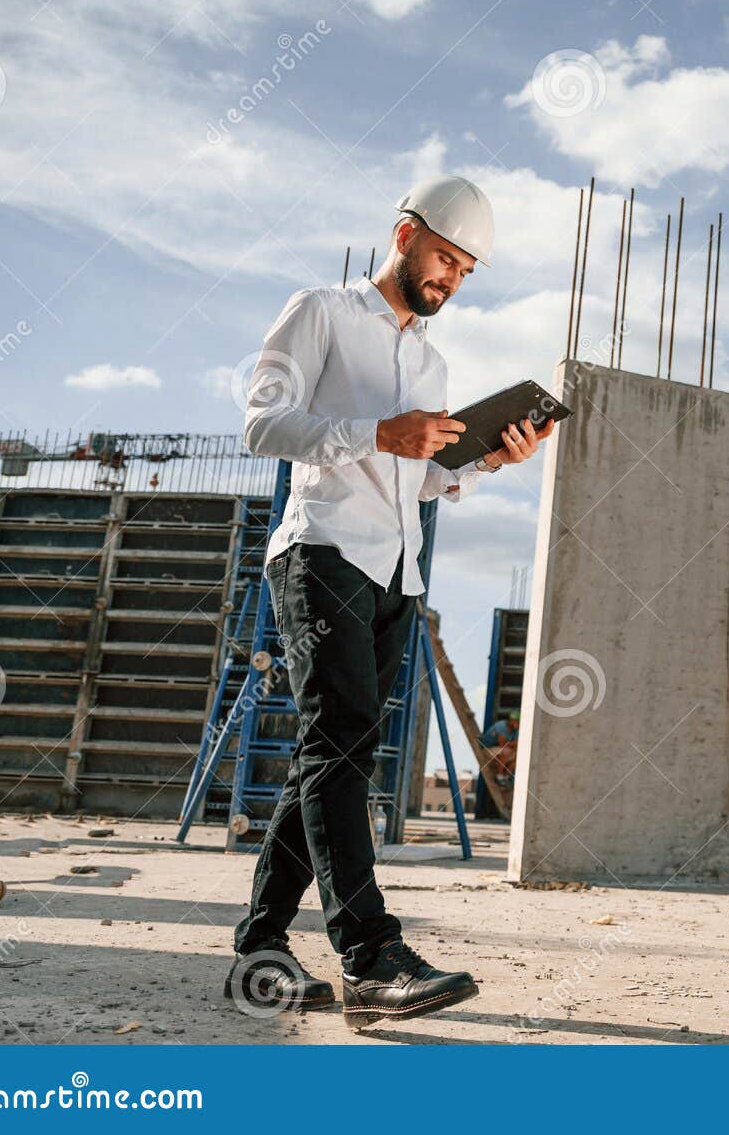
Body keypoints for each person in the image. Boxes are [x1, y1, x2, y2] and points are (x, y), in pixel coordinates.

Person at [225, 175, 554, 1029]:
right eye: (445, 258)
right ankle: (370, 955)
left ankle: (260, 946)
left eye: (466, 270)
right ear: (406, 236)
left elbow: (417, 478)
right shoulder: (322, 312)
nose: (452, 279)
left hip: (395, 570)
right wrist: (376, 432)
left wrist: (489, 458)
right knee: (339, 744)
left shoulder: (431, 362)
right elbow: (262, 423)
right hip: (323, 551)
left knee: (330, 755)